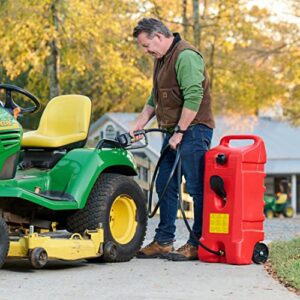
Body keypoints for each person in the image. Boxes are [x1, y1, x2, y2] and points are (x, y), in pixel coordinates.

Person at [131, 18, 215, 261]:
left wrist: (180, 132)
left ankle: (198, 242)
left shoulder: (186, 56)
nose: (146, 52)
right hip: (173, 132)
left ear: (158, 36)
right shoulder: (162, 59)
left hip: (194, 130)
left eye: (147, 45)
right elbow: (155, 97)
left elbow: (193, 95)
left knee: (196, 188)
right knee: (165, 184)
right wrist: (140, 123)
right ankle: (164, 241)